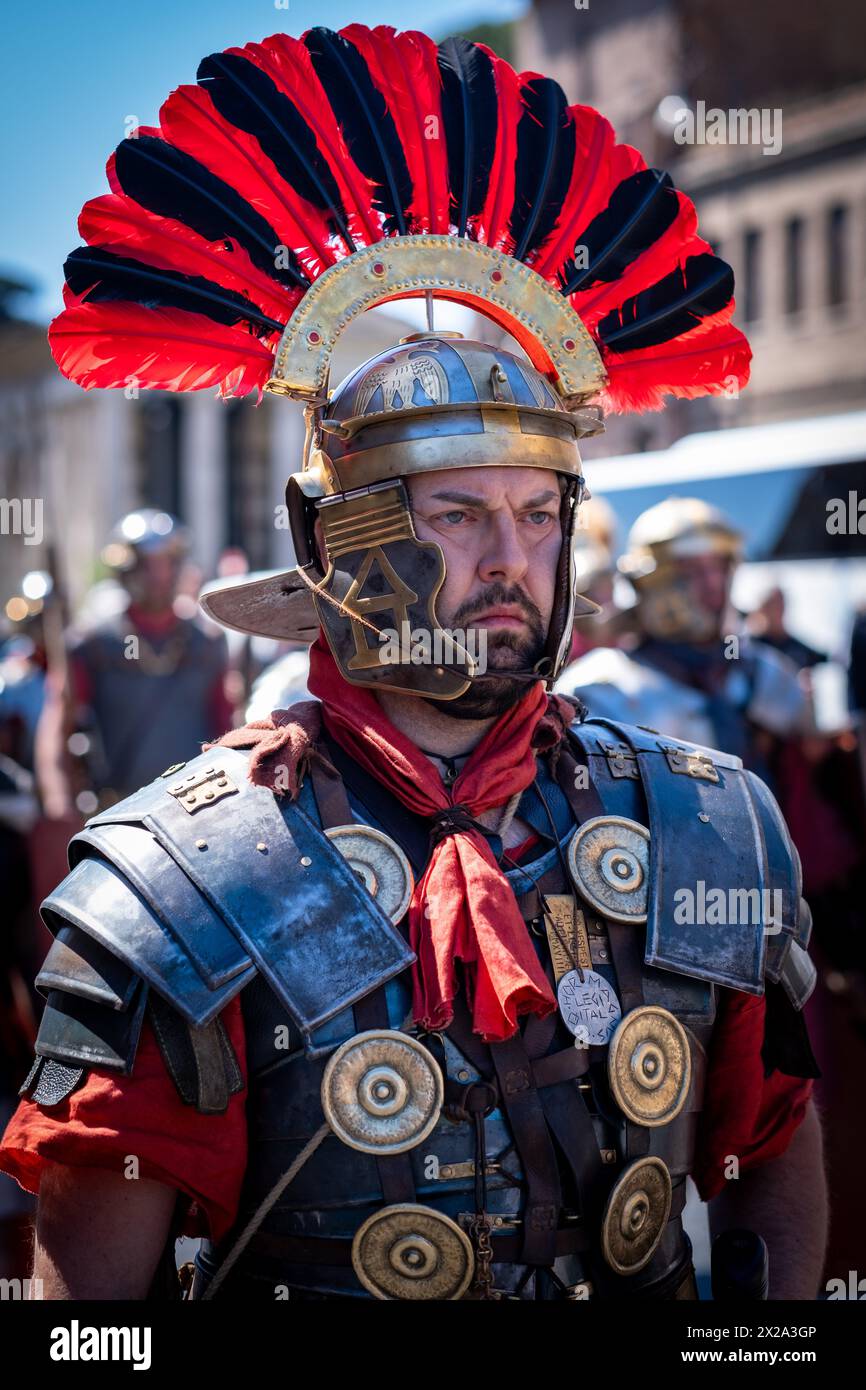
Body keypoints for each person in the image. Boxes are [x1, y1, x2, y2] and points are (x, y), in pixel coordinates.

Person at [0, 21, 825, 1302]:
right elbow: (86, 1318)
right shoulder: (181, 879)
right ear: (331, 540)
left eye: (537, 513)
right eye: (455, 515)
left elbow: (772, 1149)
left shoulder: (706, 819)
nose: (511, 557)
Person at [557, 498, 814, 770]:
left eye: (718, 567)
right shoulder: (602, 690)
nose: (713, 584)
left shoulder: (762, 672)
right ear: (650, 582)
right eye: (693, 571)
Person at [34, 510, 234, 816]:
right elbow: (57, 728)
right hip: (118, 815)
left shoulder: (206, 642)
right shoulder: (93, 645)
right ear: (126, 570)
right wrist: (58, 803)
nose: (158, 576)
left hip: (195, 812)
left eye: (166, 564)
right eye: (147, 565)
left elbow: (225, 727)